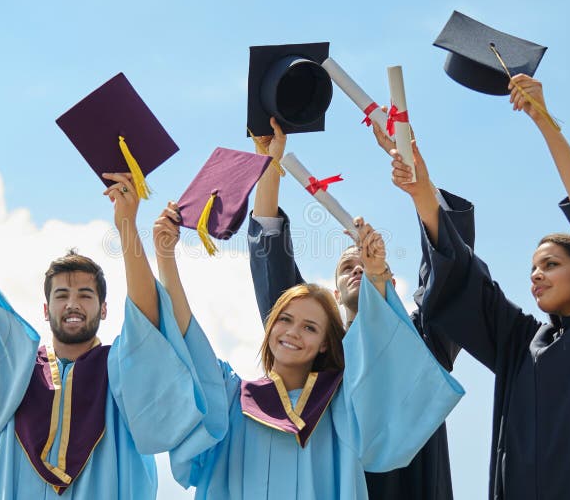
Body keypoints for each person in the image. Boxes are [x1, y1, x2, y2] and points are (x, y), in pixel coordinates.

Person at [105, 169, 464, 500]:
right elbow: (181, 332)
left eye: (310, 327)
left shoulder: (344, 404)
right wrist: (163, 254)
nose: (293, 332)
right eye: (286, 320)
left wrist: (379, 279)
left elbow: (383, 366)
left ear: (327, 342)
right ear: (270, 324)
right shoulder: (232, 401)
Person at [391, 75, 570, 499]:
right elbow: (464, 282)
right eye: (533, 267)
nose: (536, 274)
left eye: (551, 264)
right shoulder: (521, 345)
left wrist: (544, 122)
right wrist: (421, 191)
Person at [0, 150, 163, 499]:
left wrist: (127, 225)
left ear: (103, 309)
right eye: (61, 295)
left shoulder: (122, 371)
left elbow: (147, 318)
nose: (72, 303)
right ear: (45, 308)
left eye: (85, 294)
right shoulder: (15, 369)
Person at [247, 116, 475, 499]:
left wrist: (419, 179)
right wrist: (270, 165)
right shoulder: (322, 354)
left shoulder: (422, 341)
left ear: (389, 280)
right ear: (335, 294)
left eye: (363, 264)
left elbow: (452, 270)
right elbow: (279, 290)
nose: (356, 270)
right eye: (346, 268)